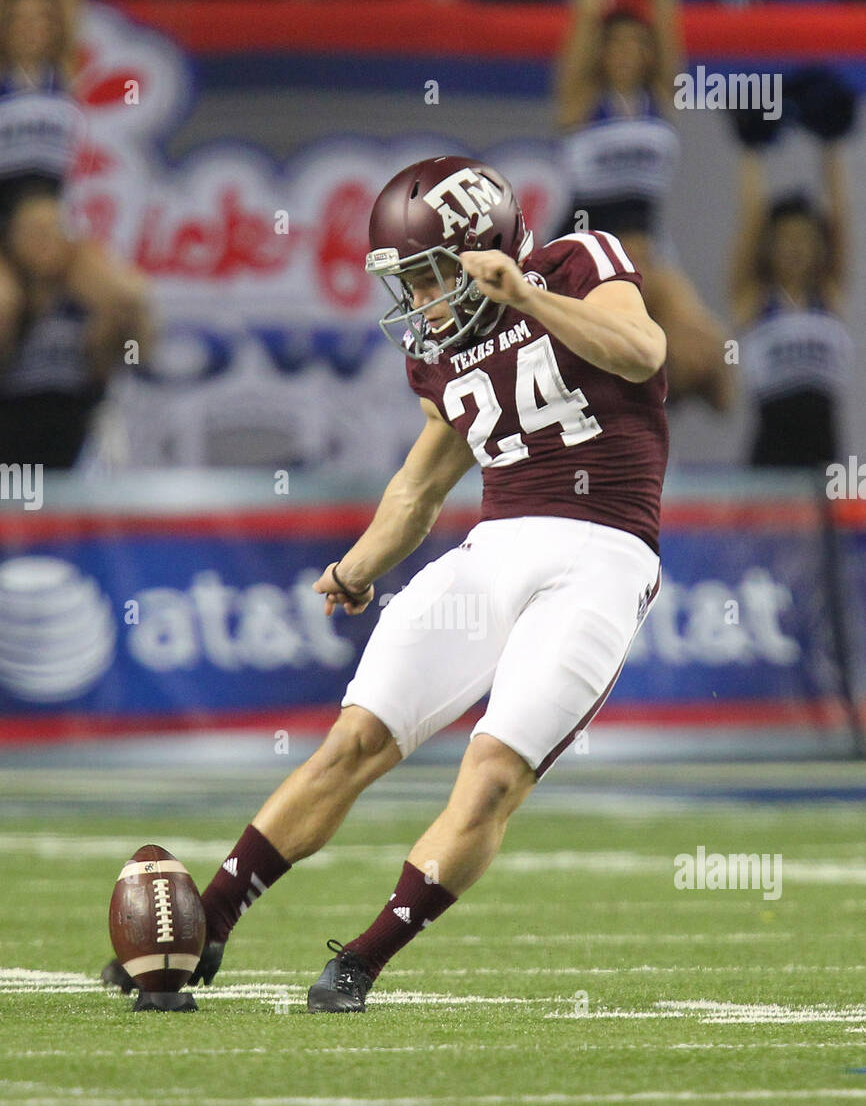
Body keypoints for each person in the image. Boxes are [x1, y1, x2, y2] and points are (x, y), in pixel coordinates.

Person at [103, 155, 668, 1013]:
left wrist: (526, 297)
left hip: (604, 554)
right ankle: (210, 922)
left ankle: (361, 961)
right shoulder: (446, 354)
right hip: (496, 547)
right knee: (355, 741)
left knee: (491, 775)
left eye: (431, 273)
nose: (422, 298)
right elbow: (421, 484)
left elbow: (640, 352)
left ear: (482, 250)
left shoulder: (575, 263)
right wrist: (357, 567)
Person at [555, 0, 731, 409]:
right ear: (601, 51)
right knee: (584, 358)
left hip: (649, 247)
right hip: (588, 245)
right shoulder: (581, 101)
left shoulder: (661, 98)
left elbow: (667, 10)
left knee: (711, 355)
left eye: (638, 44)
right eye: (616, 44)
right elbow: (583, 16)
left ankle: (649, 407)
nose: (627, 53)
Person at [0, 0, 152, 392]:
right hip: (5, 234)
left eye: (42, 19)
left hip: (56, 231)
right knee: (3, 307)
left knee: (127, 300)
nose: (32, 28)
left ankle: (89, 406)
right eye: (20, 19)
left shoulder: (60, 75)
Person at [730, 93, 854, 467]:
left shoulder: (828, 293)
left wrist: (829, 141)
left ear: (819, 248)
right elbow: (752, 220)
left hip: (825, 457)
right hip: (770, 456)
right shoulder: (753, 299)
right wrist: (752, 148)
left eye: (804, 240)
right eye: (785, 240)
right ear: (769, 248)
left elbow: (839, 218)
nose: (795, 249)